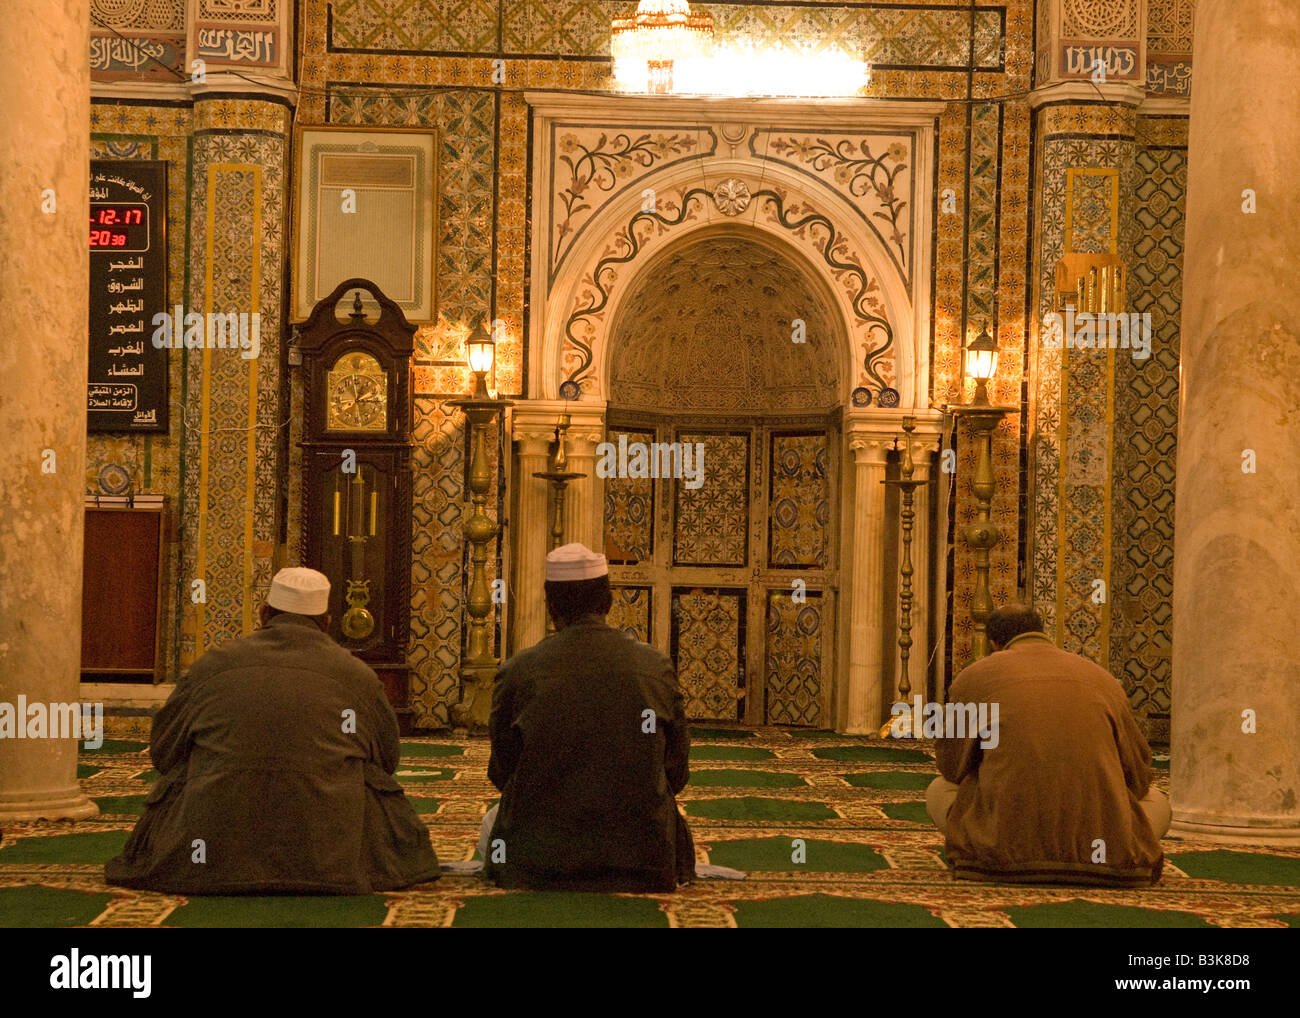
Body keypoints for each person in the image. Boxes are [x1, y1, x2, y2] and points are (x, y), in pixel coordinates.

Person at [105, 567, 439, 894]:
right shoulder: (357, 676)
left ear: (264, 614)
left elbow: (164, 752)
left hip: (207, 856)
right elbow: (386, 760)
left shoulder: (212, 665)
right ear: (326, 624)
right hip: (332, 858)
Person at [482, 543, 694, 891]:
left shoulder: (518, 671)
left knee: (492, 825)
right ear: (608, 601)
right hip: (642, 860)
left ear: (551, 605)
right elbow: (676, 772)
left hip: (536, 862)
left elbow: (502, 773)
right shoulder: (654, 667)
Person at [926, 603, 1168, 886]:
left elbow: (951, 767)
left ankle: (996, 851)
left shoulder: (974, 676)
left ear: (994, 643)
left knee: (938, 790)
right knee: (1159, 801)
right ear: (1041, 632)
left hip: (997, 854)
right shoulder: (1102, 678)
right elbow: (1138, 776)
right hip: (1109, 856)